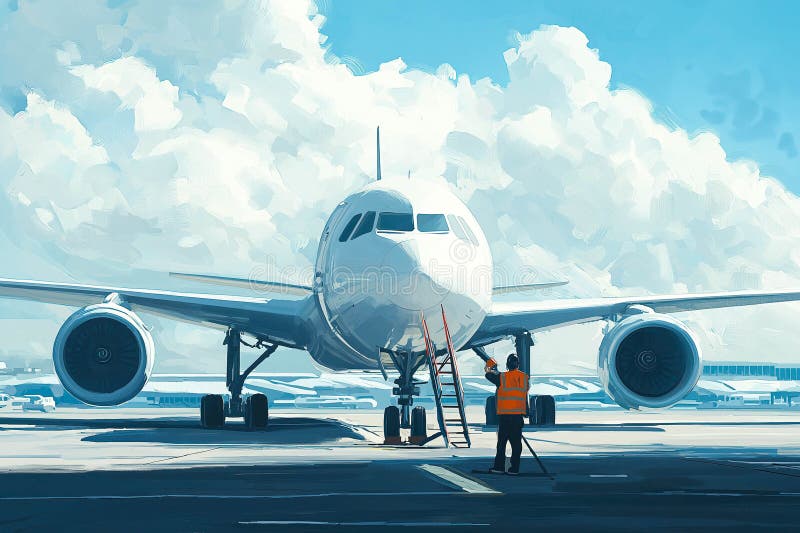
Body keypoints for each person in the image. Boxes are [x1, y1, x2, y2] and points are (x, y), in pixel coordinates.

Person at [485, 353, 529, 475]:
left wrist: (490, 363)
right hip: (518, 417)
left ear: (507, 365)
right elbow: (524, 393)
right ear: (518, 365)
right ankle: (514, 469)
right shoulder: (525, 378)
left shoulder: (502, 377)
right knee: (516, 445)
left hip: (505, 417)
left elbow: (488, 374)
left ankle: (499, 467)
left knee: (502, 444)